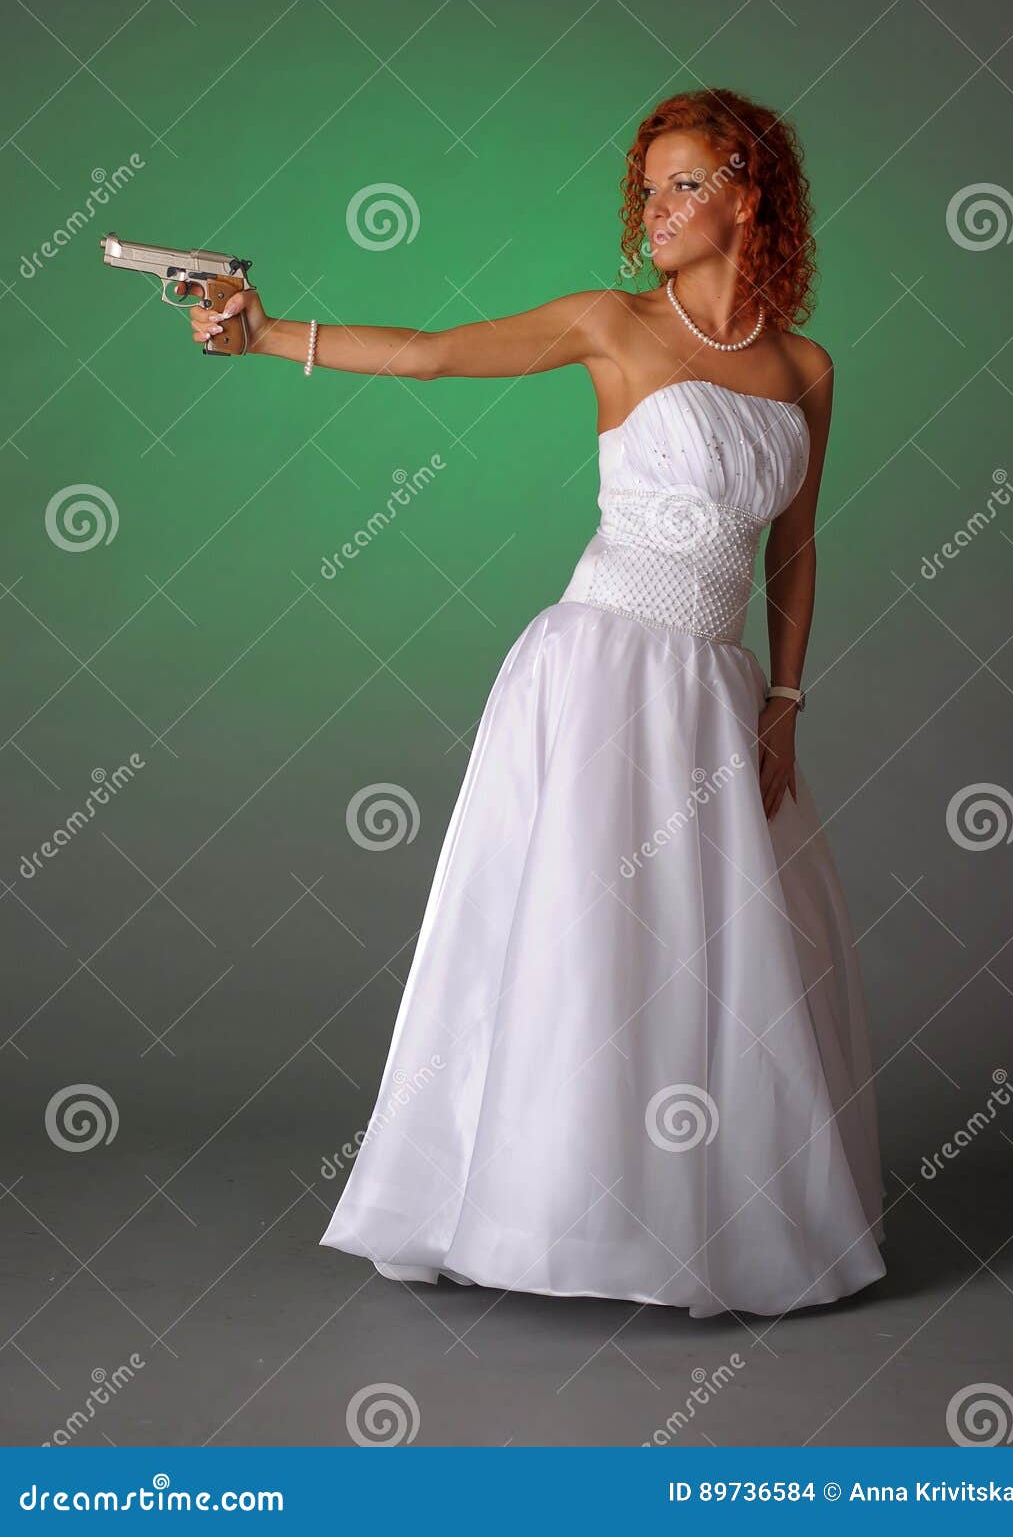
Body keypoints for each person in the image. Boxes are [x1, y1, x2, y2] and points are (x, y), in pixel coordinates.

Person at [184, 87, 887, 1320]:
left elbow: (797, 549)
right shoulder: (610, 323)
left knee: (710, 949)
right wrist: (265, 333)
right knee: (580, 936)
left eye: (683, 185)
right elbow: (428, 350)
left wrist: (785, 696)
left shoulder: (806, 367)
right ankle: (542, 1209)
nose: (655, 210)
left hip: (717, 692)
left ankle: (692, 1216)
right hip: (601, 669)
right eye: (649, 189)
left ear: (748, 193)